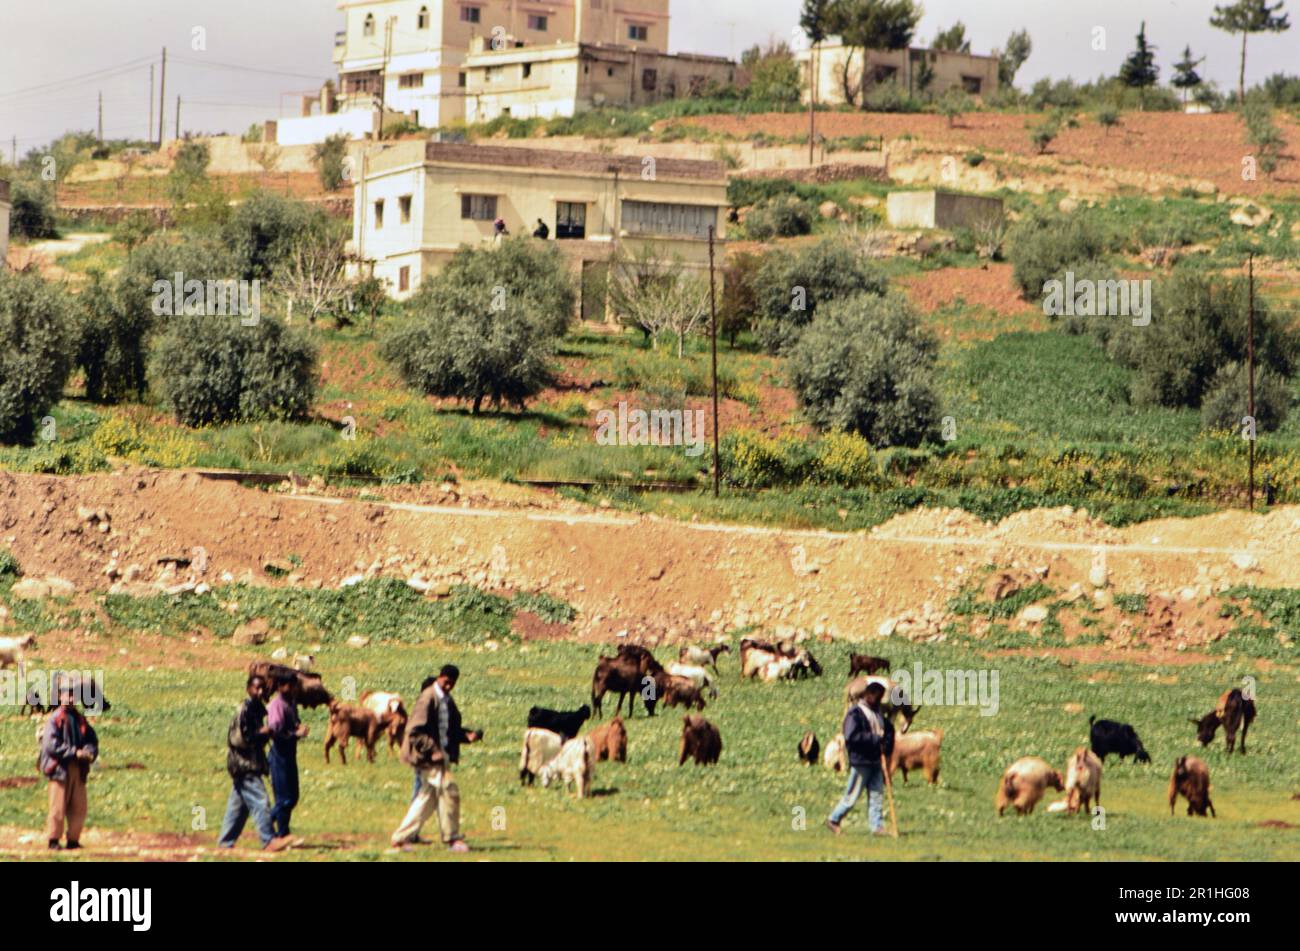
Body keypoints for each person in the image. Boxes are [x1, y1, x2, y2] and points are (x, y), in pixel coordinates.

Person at [391, 664, 481, 852]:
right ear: (440, 677)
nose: (449, 686)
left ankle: (401, 838)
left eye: (452, 684)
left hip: (440, 757)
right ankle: (452, 839)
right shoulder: (428, 698)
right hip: (429, 759)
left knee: (426, 799)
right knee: (449, 792)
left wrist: (467, 737)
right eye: (447, 682)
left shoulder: (446, 700)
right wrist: (432, 750)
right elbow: (414, 731)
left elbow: (449, 730)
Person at [219, 674, 292, 851]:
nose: (259, 692)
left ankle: (225, 843)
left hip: (251, 763)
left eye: (262, 689)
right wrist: (262, 733)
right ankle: (268, 840)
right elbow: (238, 739)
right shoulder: (244, 710)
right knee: (261, 800)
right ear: (248, 689)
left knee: (238, 806)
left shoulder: (257, 710)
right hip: (244, 764)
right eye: (256, 688)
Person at [826, 680, 895, 836]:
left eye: (881, 697)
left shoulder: (878, 714)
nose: (879, 700)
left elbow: (888, 732)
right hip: (862, 760)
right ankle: (833, 819)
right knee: (853, 794)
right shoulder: (855, 713)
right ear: (868, 695)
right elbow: (851, 736)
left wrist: (887, 745)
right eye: (877, 696)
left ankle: (876, 826)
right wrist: (876, 739)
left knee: (877, 794)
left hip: (877, 760)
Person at [39, 675, 99, 850]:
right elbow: (51, 745)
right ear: (60, 696)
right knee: (57, 807)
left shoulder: (80, 719)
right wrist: (74, 753)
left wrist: (89, 752)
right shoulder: (55, 719)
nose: (71, 698)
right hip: (60, 768)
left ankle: (73, 840)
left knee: (79, 806)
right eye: (67, 694)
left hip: (78, 769)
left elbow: (91, 739)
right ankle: (53, 840)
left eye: (74, 694)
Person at [266, 675, 308, 840]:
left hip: (289, 755)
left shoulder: (290, 703)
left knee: (292, 796)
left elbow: (293, 721)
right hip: (278, 756)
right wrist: (295, 734)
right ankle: (273, 827)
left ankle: (281, 832)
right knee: (285, 799)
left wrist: (298, 726)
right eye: (290, 686)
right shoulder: (276, 706)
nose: (293, 689)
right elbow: (275, 733)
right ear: (280, 686)